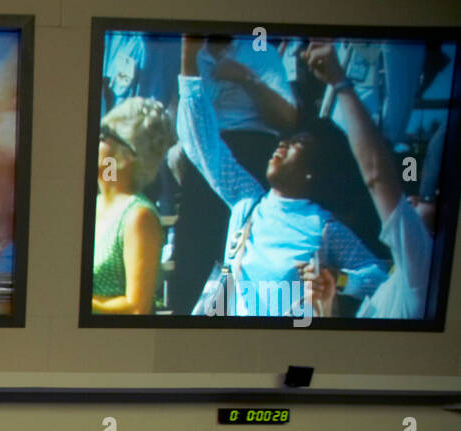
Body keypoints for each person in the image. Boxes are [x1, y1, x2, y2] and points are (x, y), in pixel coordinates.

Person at [177, 35, 386, 317]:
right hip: (232, 346)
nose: (282, 144)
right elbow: (203, 145)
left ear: (312, 171)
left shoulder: (324, 227)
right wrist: (189, 62)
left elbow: (380, 279)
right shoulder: (247, 201)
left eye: (296, 144)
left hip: (288, 348)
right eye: (284, 141)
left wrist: (339, 279)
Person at [302, 41, 436, 319]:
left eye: (425, 199)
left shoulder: (423, 268)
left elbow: (378, 175)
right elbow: (374, 278)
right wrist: (337, 284)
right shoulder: (405, 277)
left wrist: (340, 81)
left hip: (367, 150)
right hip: (341, 140)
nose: (412, 200)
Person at [92, 97, 176, 314]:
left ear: (126, 156)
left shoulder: (139, 217)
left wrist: (73, 301)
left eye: (104, 135)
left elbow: (137, 307)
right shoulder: (95, 205)